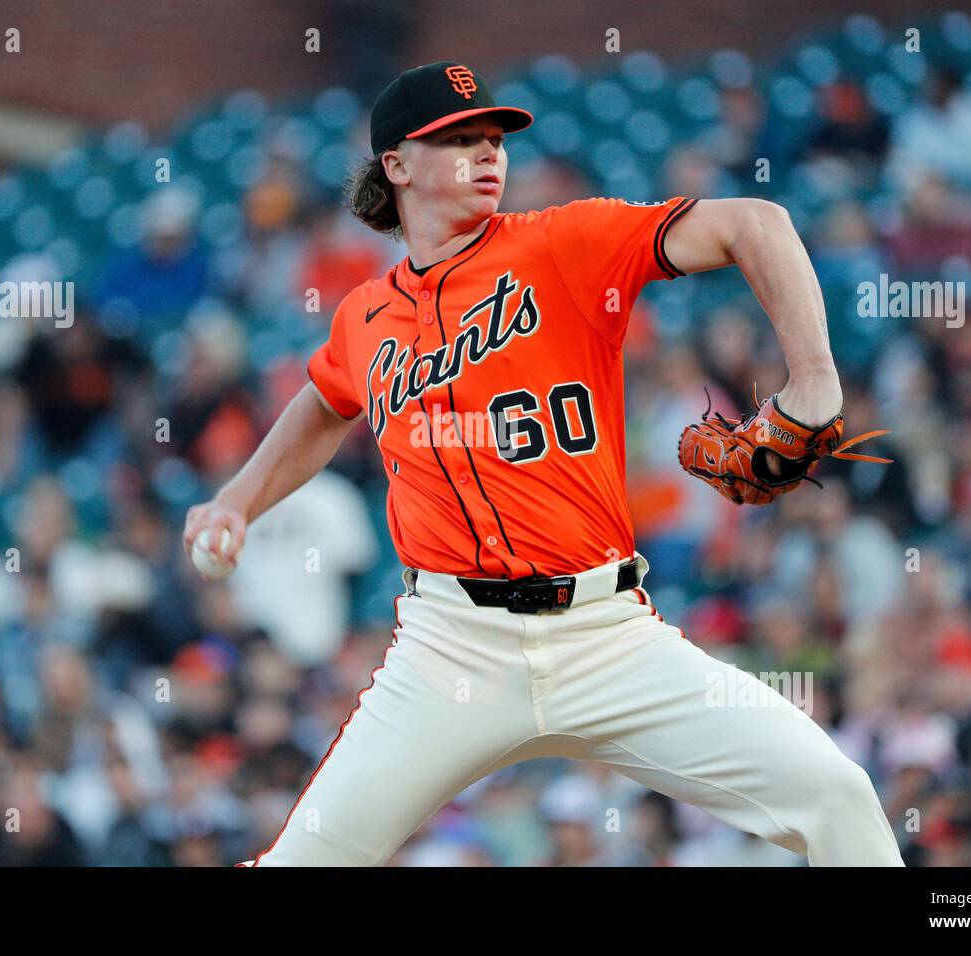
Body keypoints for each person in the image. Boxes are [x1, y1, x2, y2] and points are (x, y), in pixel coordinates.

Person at [183, 61, 903, 866]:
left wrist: (813, 380)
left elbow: (758, 223)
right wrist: (237, 501)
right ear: (397, 165)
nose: (489, 153)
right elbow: (325, 401)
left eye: (494, 137)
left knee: (837, 796)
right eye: (458, 140)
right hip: (450, 647)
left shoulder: (564, 243)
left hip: (607, 634)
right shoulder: (364, 316)